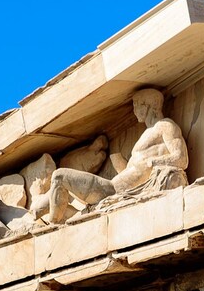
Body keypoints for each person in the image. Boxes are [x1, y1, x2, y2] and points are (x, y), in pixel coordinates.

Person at [36, 88, 188, 224]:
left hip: (110, 190)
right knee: (58, 186)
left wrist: (151, 163)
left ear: (149, 105)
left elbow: (181, 158)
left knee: (59, 176)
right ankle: (41, 216)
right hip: (112, 187)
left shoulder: (165, 125)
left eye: (137, 105)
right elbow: (133, 171)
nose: (134, 110)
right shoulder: (149, 131)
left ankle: (53, 225)